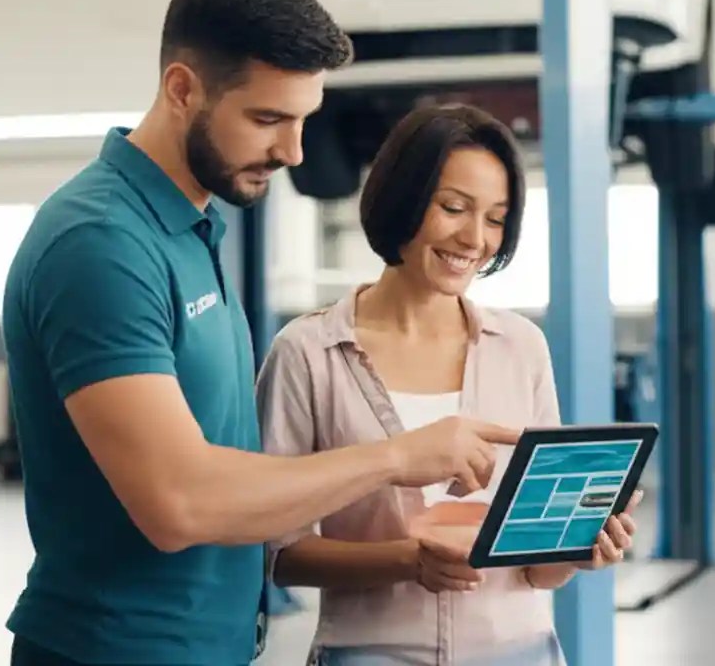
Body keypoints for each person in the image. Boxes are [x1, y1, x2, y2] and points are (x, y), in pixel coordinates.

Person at [0, 0, 520, 666]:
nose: (294, 150)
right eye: (268, 118)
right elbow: (179, 503)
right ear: (182, 89)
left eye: (305, 119)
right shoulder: (101, 244)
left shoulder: (190, 229)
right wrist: (398, 457)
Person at [257, 103, 643, 666]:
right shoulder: (309, 352)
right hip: (372, 654)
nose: (474, 238)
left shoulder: (520, 348)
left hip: (521, 652)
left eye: (495, 218)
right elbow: (282, 554)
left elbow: (538, 570)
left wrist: (580, 548)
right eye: (453, 208)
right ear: (402, 198)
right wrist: (407, 560)